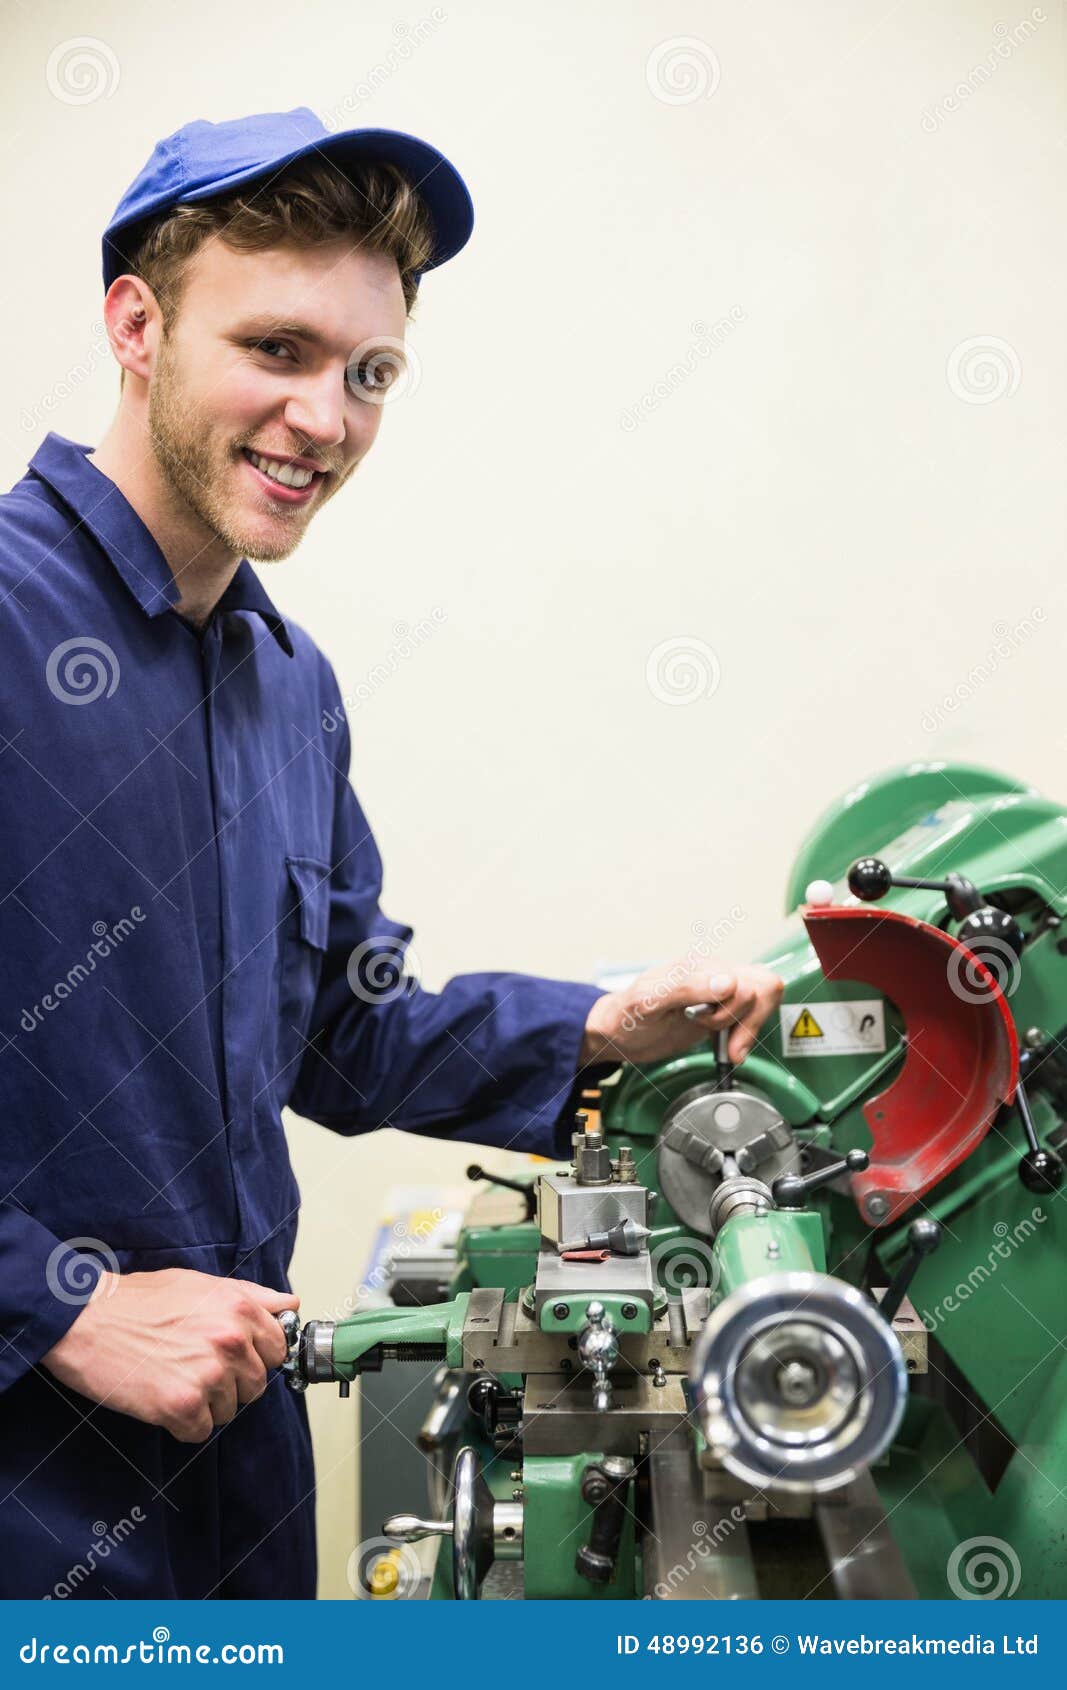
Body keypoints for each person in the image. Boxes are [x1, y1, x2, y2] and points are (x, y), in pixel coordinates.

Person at [0, 107, 782, 1598]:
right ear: (135, 323)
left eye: (371, 374)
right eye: (278, 350)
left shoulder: (287, 686)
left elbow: (342, 1031)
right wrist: (57, 1307)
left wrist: (600, 1031)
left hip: (239, 1488)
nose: (329, 419)